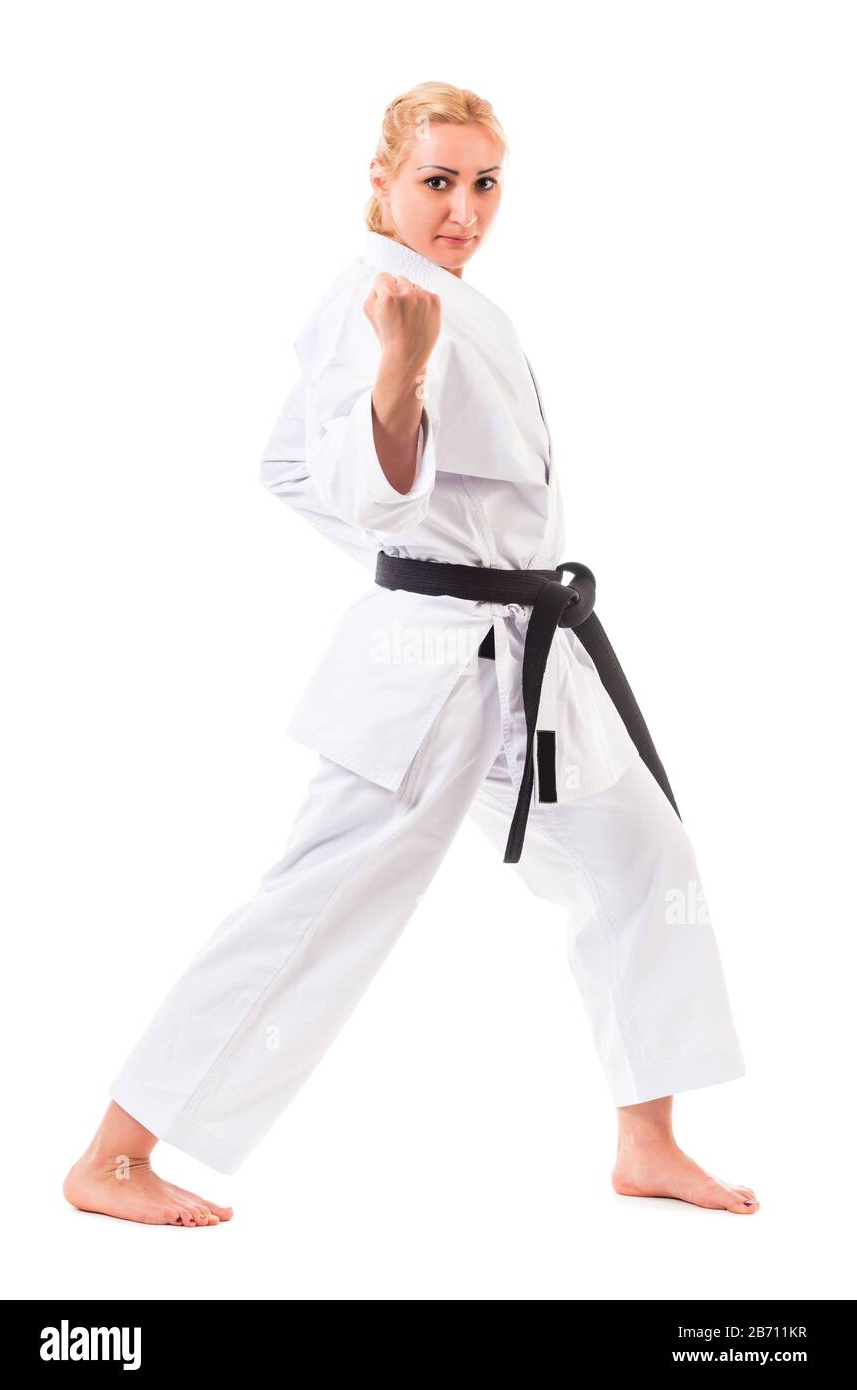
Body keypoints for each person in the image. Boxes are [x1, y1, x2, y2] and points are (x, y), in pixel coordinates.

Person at [63, 82, 758, 1226]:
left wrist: (424, 541)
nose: (464, 208)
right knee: (322, 900)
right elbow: (364, 476)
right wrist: (400, 380)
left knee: (645, 855)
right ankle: (116, 1152)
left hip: (524, 650)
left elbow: (290, 466)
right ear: (382, 181)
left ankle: (648, 1142)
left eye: (485, 182)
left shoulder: (447, 296)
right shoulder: (382, 298)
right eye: (437, 180)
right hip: (428, 664)